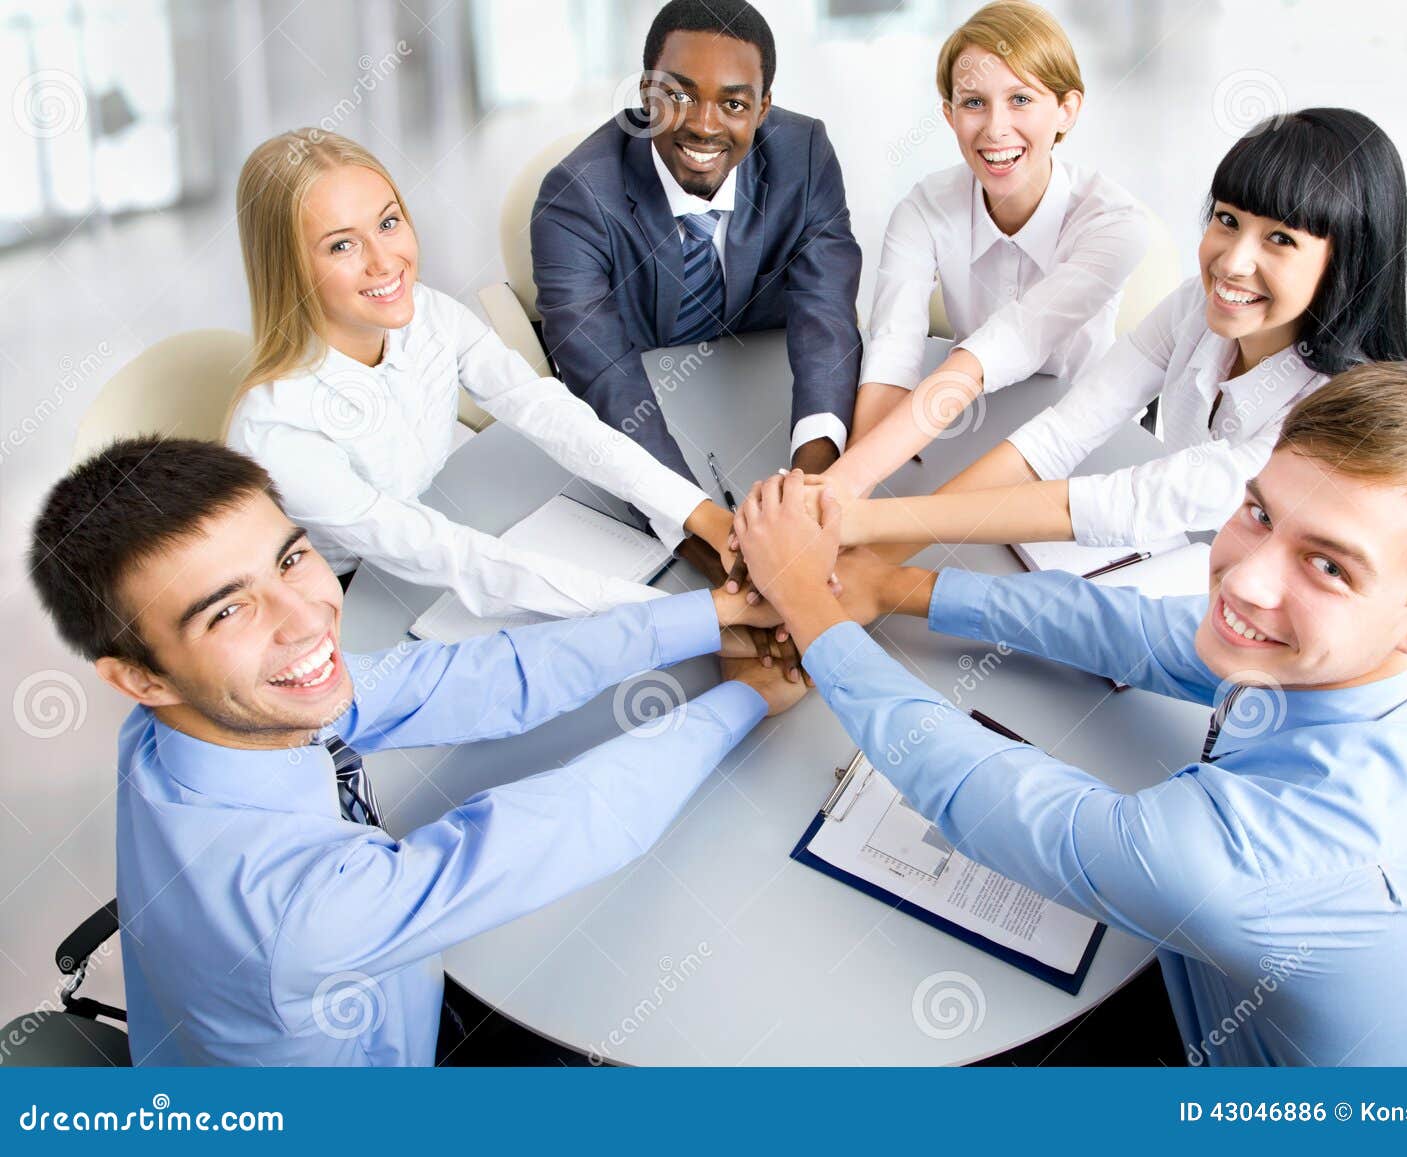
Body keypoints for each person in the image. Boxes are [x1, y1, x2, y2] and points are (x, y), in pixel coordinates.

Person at [732, 362, 1407, 1066]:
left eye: (1328, 566)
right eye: (1262, 513)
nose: (1244, 580)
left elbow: (985, 798)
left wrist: (809, 605)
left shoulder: (1255, 865)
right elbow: (1151, 636)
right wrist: (898, 588)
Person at [27, 437, 802, 1066]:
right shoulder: (299, 912)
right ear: (138, 676)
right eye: (229, 609)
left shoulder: (189, 716)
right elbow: (568, 825)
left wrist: (710, 615)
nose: (307, 619)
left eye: (292, 559)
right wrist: (746, 698)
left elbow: (457, 679)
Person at [819, 108, 1407, 554]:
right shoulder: (1194, 310)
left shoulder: (1342, 414)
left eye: (1280, 239)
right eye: (1228, 221)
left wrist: (860, 529)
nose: (1232, 263)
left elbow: (1134, 501)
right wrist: (882, 551)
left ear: (1350, 261)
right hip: (1165, 570)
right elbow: (1063, 433)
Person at [225, 129, 739, 624]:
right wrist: (680, 616)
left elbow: (544, 409)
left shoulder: (428, 314)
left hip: (438, 525)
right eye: (342, 246)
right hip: (352, 598)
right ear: (289, 267)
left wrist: (703, 516)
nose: (385, 262)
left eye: (387, 223)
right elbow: (449, 558)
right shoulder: (278, 430)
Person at [530, 0, 863, 506]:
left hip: (757, 389)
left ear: (762, 108)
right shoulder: (575, 196)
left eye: (733, 104)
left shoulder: (805, 155)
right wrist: (695, 522)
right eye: (680, 96)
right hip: (648, 404)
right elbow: (605, 377)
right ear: (647, 94)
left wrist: (812, 485)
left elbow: (827, 315)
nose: (705, 127)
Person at [848, 0, 1148, 445]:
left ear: (1067, 109)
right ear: (950, 115)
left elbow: (1020, 338)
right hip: (973, 422)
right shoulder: (924, 208)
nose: (995, 128)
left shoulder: (1112, 221)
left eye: (1021, 99)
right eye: (974, 103)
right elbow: (893, 347)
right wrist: (849, 484)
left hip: (1084, 431)